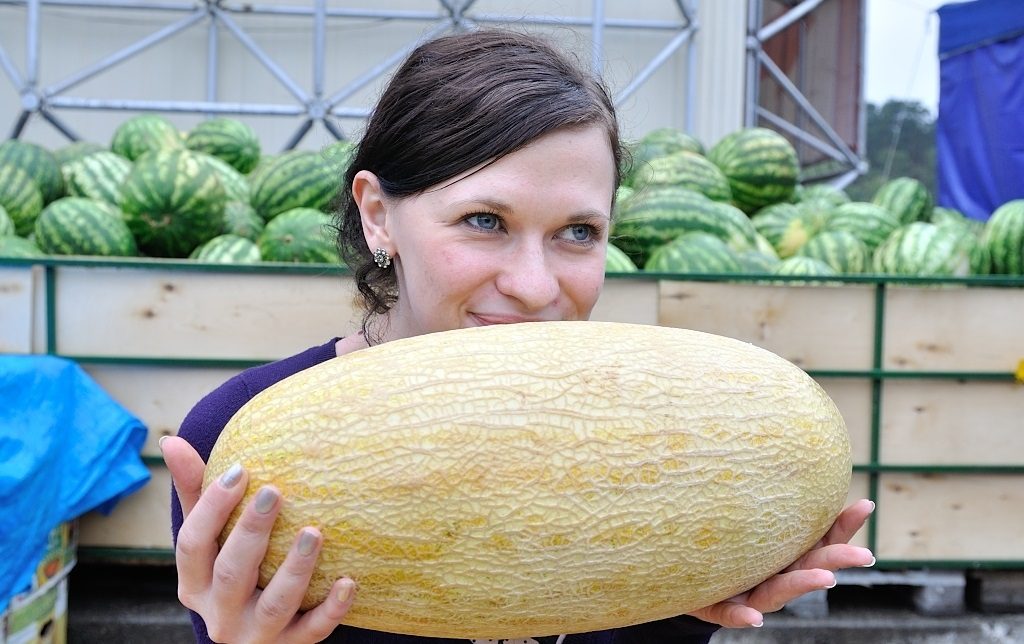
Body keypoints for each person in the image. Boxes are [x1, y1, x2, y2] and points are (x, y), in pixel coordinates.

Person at [162, 27, 876, 644]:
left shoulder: (655, 429)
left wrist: (681, 613)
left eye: (578, 232)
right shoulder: (242, 439)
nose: (535, 285)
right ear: (378, 214)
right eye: (484, 221)